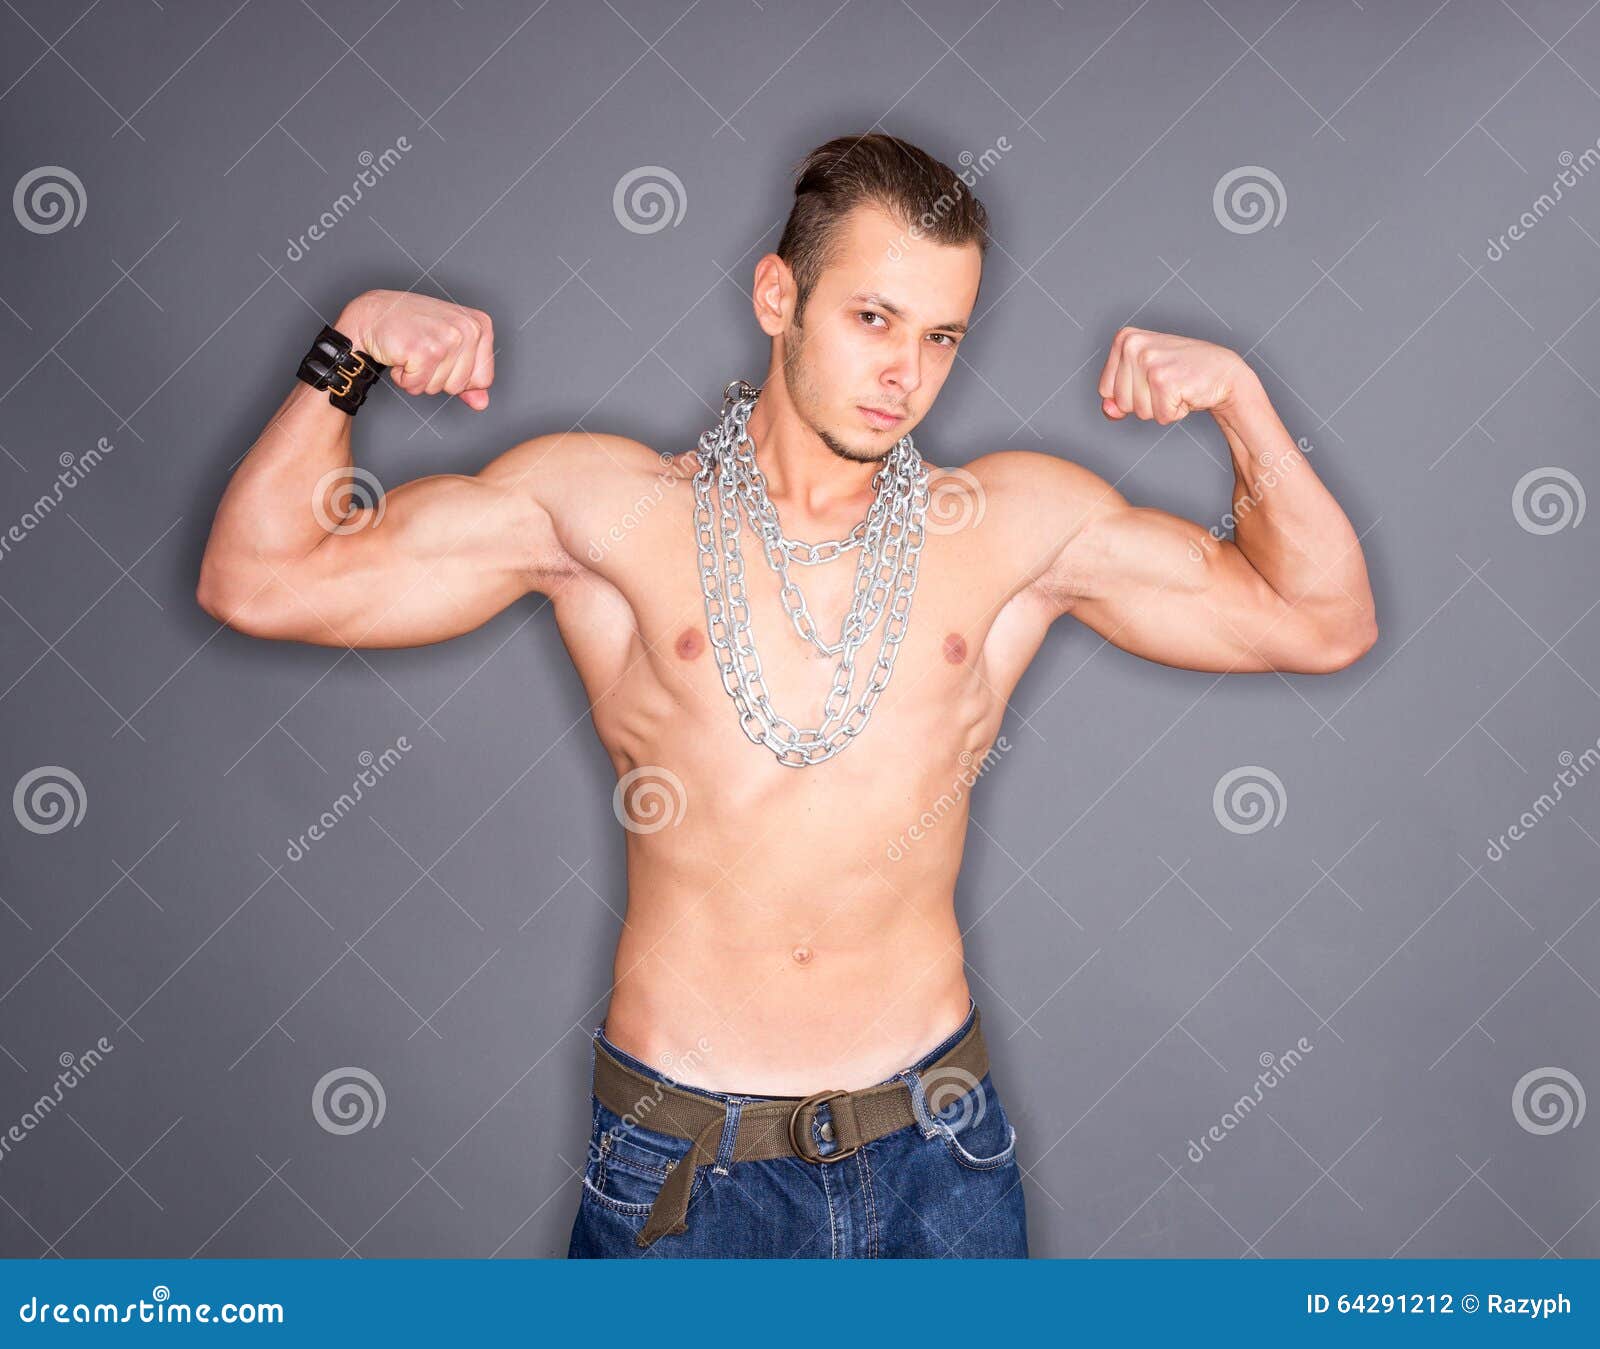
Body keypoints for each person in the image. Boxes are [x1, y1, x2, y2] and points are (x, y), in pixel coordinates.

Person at [196, 132, 1377, 1258]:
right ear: (778, 297)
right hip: (687, 1159)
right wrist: (349, 348)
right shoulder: (613, 512)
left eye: (940, 335)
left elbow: (1321, 621)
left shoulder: (1014, 528)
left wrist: (1238, 399)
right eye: (871, 317)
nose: (903, 373)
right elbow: (261, 576)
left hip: (939, 1153)